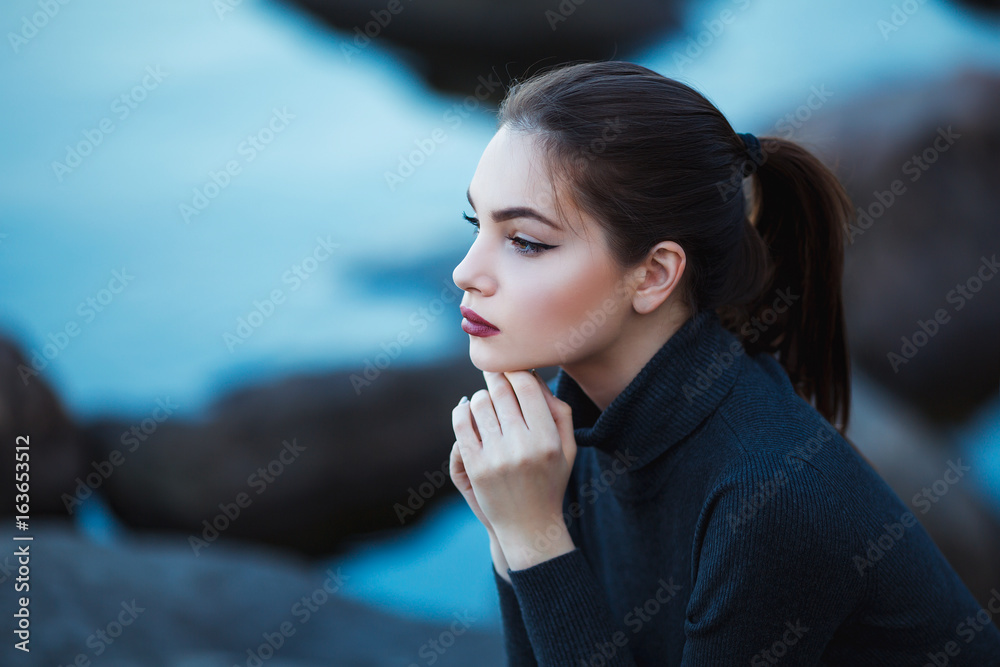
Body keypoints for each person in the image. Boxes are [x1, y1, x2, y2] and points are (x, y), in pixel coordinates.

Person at [448, 60, 1000, 666]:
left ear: (655, 274)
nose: (465, 272)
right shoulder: (576, 433)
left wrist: (535, 537)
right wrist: (513, 535)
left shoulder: (771, 495)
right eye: (477, 224)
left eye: (526, 241)